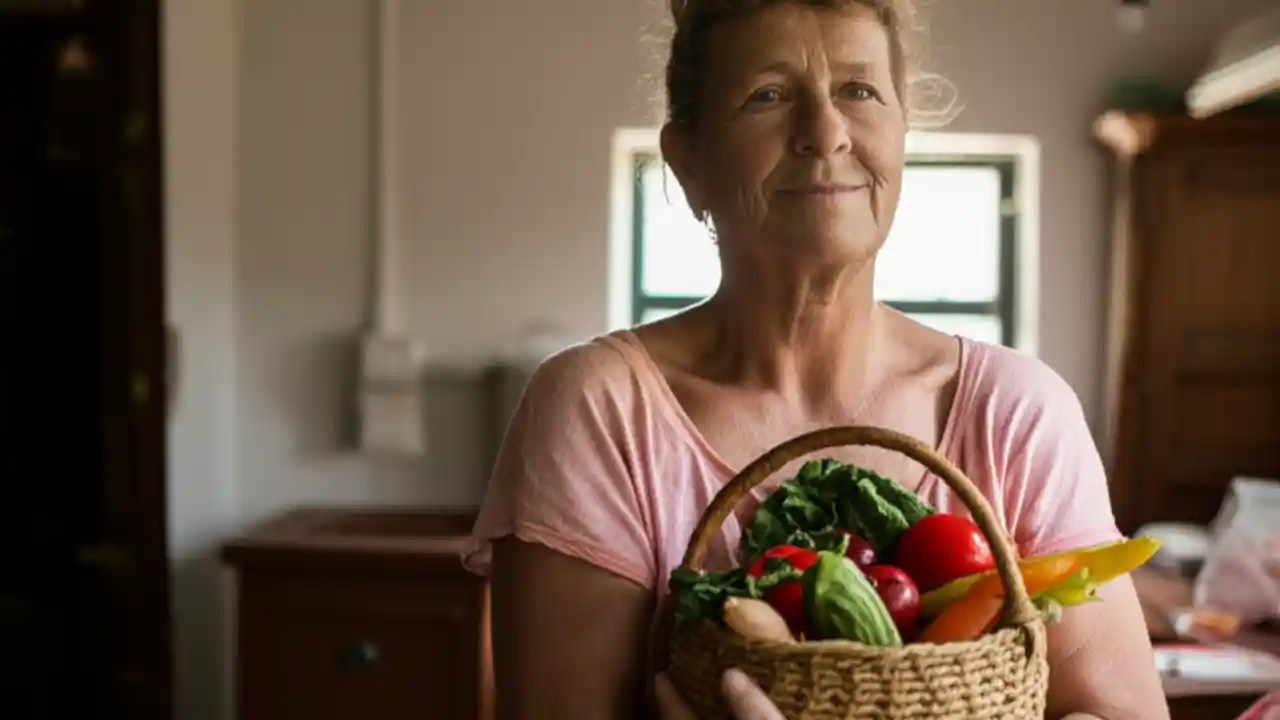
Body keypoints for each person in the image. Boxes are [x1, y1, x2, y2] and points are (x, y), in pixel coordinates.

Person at [462, 0, 1170, 717]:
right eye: (767, 97)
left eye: (858, 91)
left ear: (900, 133)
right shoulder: (600, 411)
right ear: (688, 162)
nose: (825, 133)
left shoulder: (1018, 414)